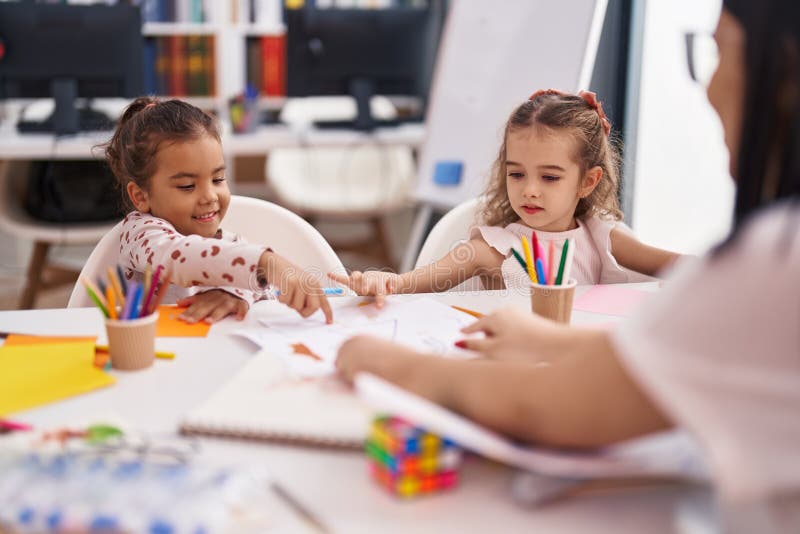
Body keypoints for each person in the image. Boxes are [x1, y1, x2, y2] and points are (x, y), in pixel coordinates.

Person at [336, 0, 799, 530]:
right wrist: (387, 281)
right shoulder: (496, 242)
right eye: (517, 174)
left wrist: (382, 360)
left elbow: (551, 405)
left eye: (719, 52)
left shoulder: (756, 262)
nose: (709, 87)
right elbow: (421, 278)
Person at [329, 90, 679, 305]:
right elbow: (409, 284)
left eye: (550, 177)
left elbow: (681, 268)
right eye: (516, 174)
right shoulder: (493, 249)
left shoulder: (601, 236)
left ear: (587, 182)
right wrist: (382, 281)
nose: (529, 189)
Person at [105, 97, 333, 324]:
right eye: (187, 186)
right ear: (141, 196)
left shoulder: (232, 243)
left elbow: (261, 292)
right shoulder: (140, 234)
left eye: (218, 179)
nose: (210, 196)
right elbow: (180, 257)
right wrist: (265, 262)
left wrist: (234, 293)